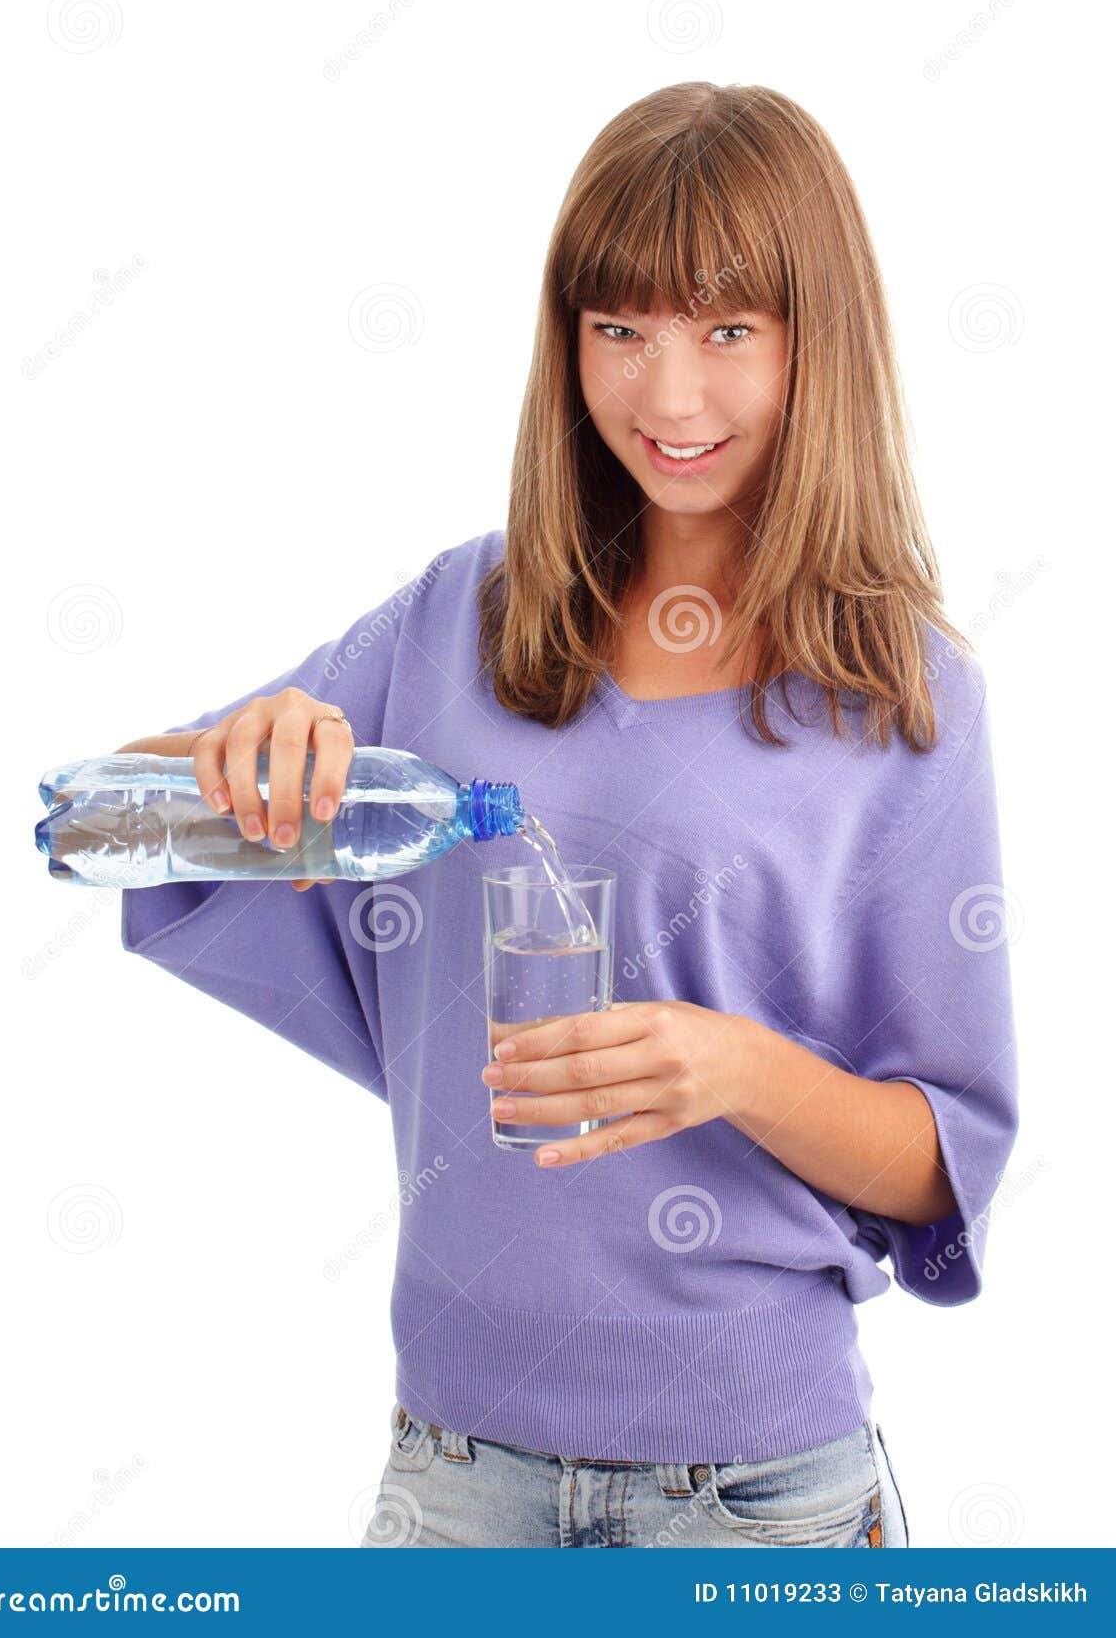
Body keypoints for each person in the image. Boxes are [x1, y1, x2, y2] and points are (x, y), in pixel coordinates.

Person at [115, 82, 1018, 1548]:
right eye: (620, 331)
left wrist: (732, 1067)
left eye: (728, 330)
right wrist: (231, 757)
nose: (668, 399)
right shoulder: (457, 625)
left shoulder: (900, 693)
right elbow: (123, 828)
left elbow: (941, 1160)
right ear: (567, 343)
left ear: (816, 339)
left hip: (751, 1502)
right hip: (454, 1480)